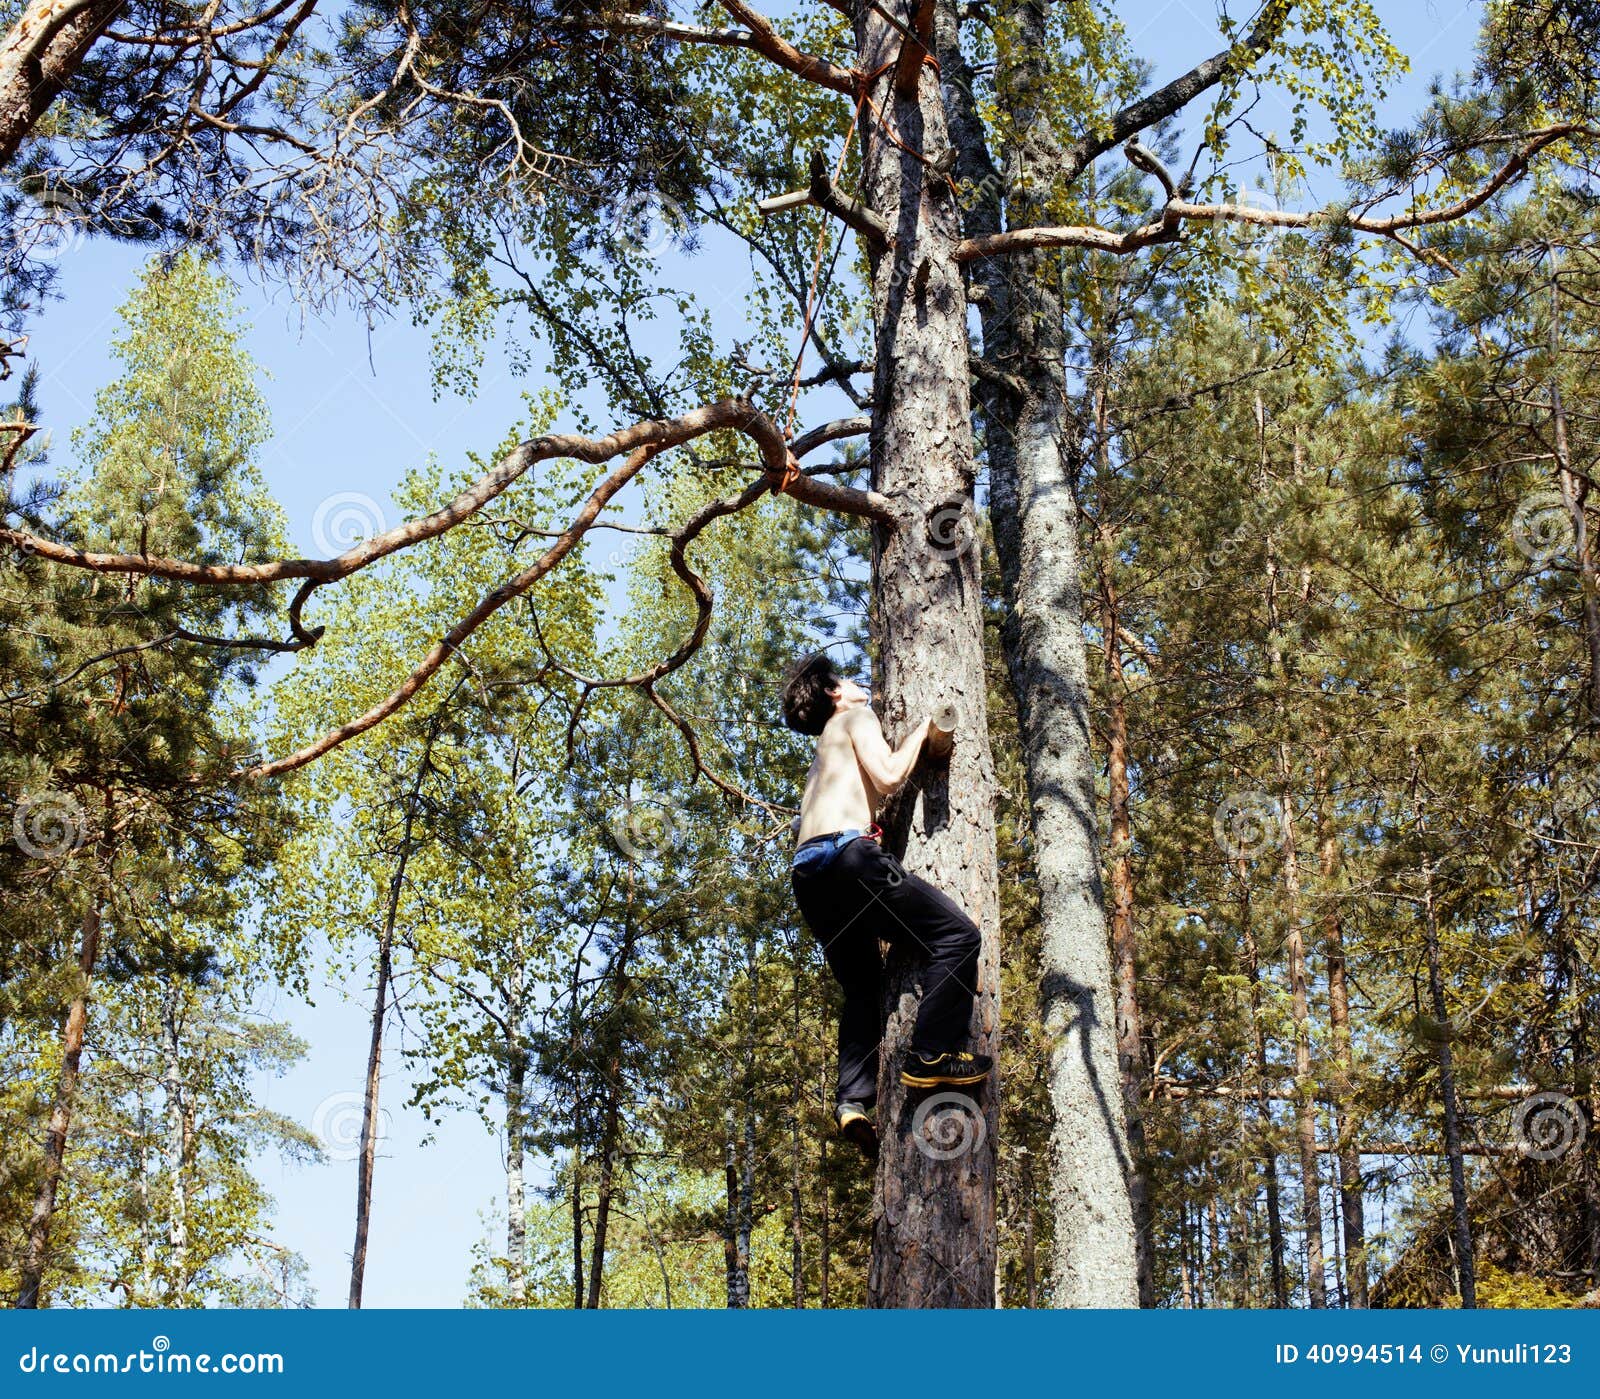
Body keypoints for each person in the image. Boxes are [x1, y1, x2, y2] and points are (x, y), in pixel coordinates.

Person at [781, 652, 990, 1161]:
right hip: (850, 857)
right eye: (847, 680)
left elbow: (860, 795)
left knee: (862, 989)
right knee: (958, 936)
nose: (858, 685)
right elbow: (891, 774)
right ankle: (930, 1055)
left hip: (809, 875)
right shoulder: (854, 716)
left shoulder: (822, 758)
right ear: (834, 693)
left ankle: (853, 1101)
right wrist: (923, 729)